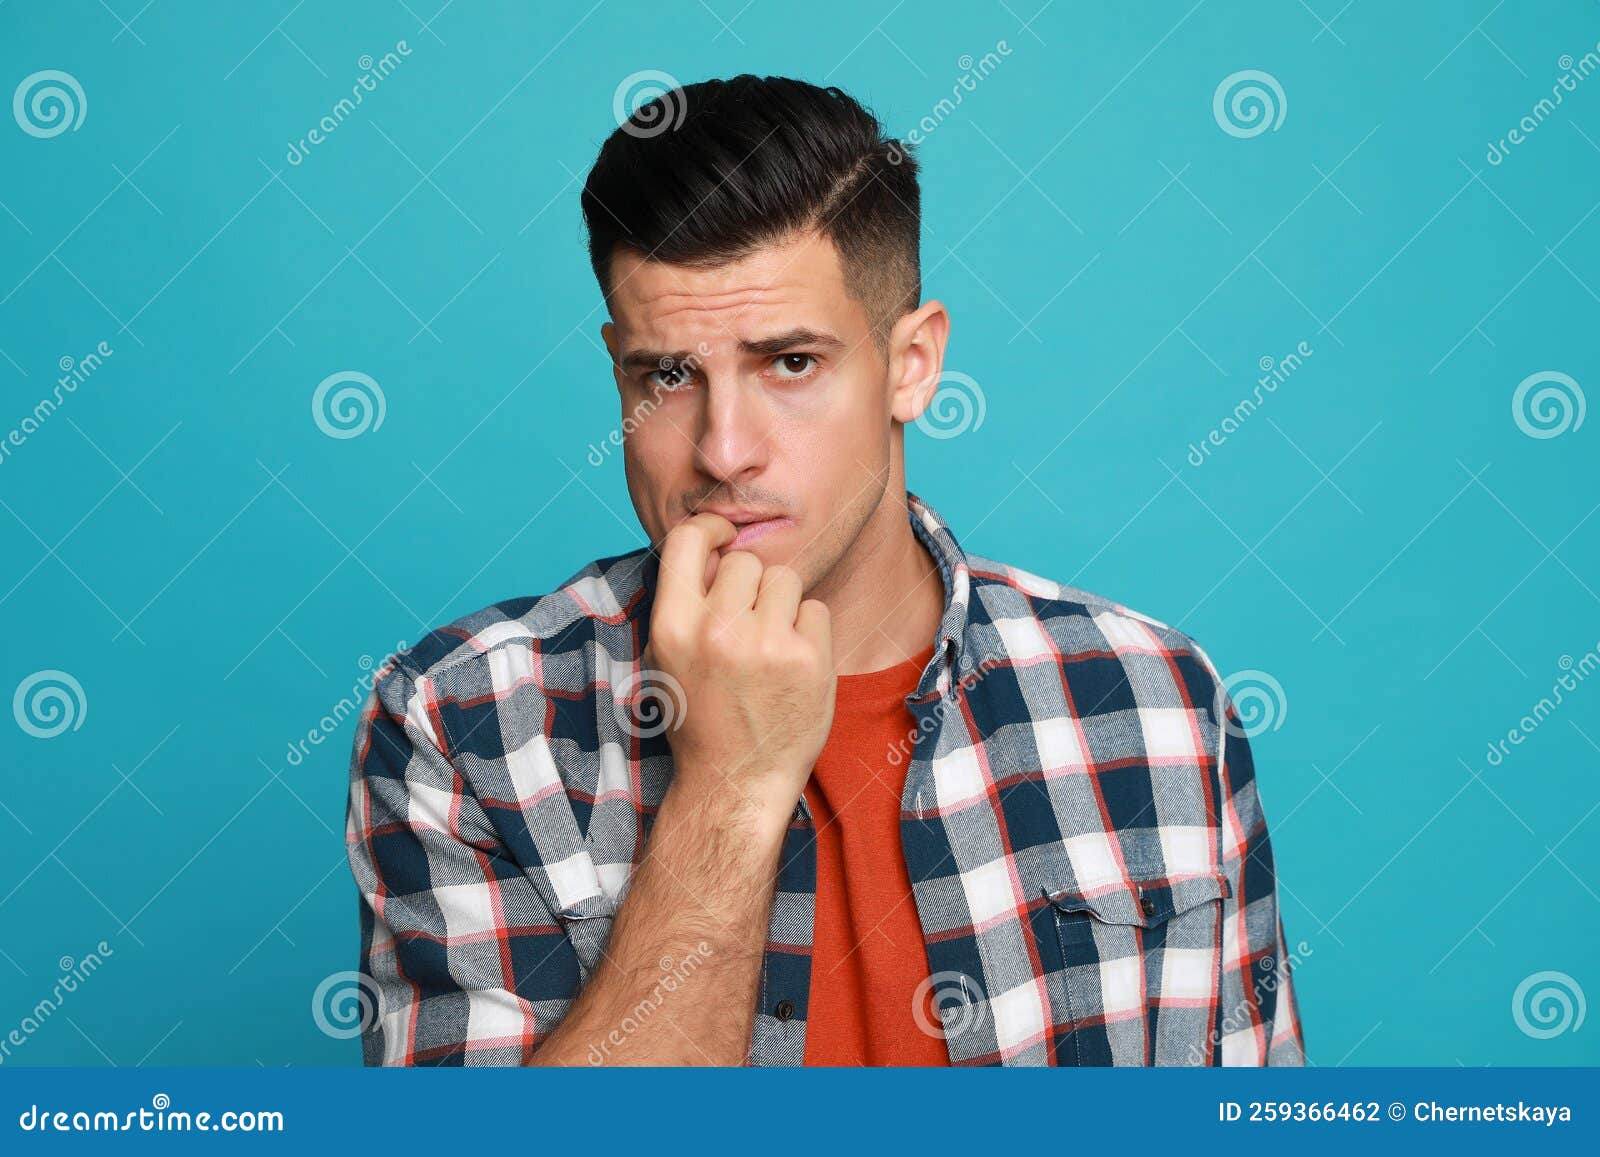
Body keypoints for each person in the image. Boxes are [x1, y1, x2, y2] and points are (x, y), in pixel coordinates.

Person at [344, 74, 1304, 1067]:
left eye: (790, 363)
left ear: (912, 364)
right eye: (666, 374)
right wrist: (730, 784)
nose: (723, 450)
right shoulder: (466, 725)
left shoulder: (1153, 698)